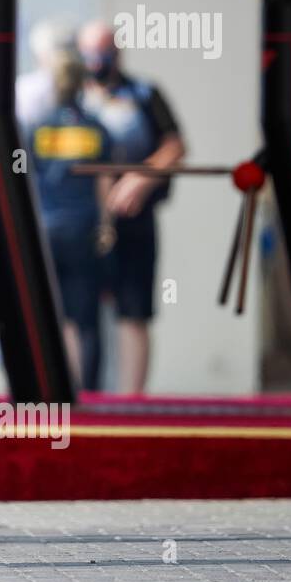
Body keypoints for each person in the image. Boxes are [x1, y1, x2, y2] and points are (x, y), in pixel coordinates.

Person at [77, 20, 186, 394]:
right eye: (89, 51)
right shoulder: (70, 97)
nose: (96, 59)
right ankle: (76, 399)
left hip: (134, 219)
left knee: (133, 312)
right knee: (79, 314)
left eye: (103, 50)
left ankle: (132, 403)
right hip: (83, 224)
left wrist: (141, 177)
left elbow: (175, 145)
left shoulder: (144, 93)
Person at [26, 41, 114, 390]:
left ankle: (53, 386)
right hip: (84, 229)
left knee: (49, 315)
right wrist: (107, 225)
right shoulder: (96, 127)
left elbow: (28, 180)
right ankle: (90, 392)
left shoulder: (38, 128)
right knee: (86, 317)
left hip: (47, 228)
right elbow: (104, 180)